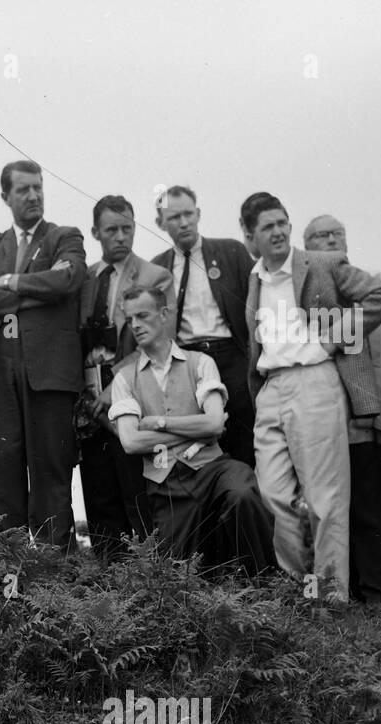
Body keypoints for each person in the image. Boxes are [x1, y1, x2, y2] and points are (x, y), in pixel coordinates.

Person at [242, 191, 381, 599]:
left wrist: (337, 336)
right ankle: (295, 594)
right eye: (267, 227)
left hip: (315, 383)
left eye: (283, 222)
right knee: (272, 495)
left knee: (325, 501)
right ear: (250, 236)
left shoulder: (322, 264)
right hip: (270, 388)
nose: (278, 232)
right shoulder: (254, 278)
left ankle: (330, 600)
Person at [108, 285, 274, 575]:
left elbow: (215, 423)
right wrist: (200, 429)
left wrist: (159, 423)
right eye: (130, 319)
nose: (135, 325)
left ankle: (264, 586)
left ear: (163, 314)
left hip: (213, 468)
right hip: (167, 484)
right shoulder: (124, 379)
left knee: (243, 492)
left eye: (143, 315)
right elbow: (131, 442)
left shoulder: (200, 362)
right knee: (180, 575)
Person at [0, 160, 85, 547]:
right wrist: (37, 293)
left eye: (38, 187)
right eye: (23, 189)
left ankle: (53, 569)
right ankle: (7, 566)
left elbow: (67, 279)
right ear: (6, 196)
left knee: (51, 470)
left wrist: (12, 282)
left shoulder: (64, 237)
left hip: (49, 372)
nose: (33, 196)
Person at [303, 215, 381, 605]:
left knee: (377, 508)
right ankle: (346, 593)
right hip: (327, 422)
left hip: (372, 418)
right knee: (336, 510)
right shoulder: (306, 297)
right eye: (321, 235)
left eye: (337, 233)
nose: (331, 239)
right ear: (307, 248)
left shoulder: (372, 288)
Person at [75, 194, 170, 559]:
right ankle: (108, 576)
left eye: (127, 228)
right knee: (98, 490)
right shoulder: (85, 279)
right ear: (95, 232)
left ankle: (150, 572)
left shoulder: (154, 276)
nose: (120, 236)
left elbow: (159, 339)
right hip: (89, 397)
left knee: (137, 488)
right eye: (111, 229)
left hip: (133, 390)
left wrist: (116, 384)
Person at [151, 185, 257, 467]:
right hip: (188, 364)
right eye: (174, 217)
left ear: (198, 214)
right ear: (160, 223)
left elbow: (257, 306)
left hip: (231, 358)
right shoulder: (157, 268)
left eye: (188, 214)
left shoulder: (231, 252)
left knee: (244, 442)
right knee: (199, 448)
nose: (184, 222)